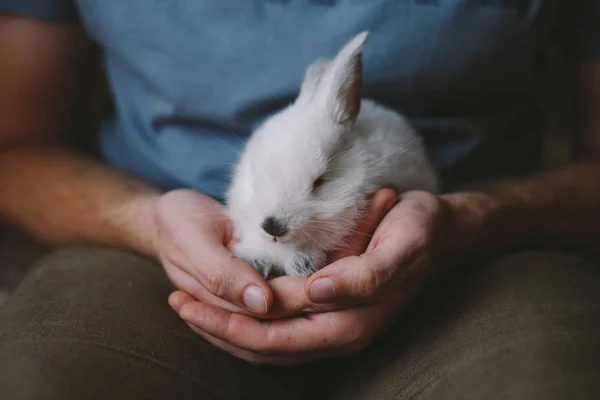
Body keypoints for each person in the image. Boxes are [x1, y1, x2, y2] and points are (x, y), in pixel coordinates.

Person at [0, 1, 599, 399]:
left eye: (319, 183)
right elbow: (15, 146)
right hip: (149, 238)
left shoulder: (361, 143)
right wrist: (146, 221)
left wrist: (470, 222)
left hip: (479, 246)